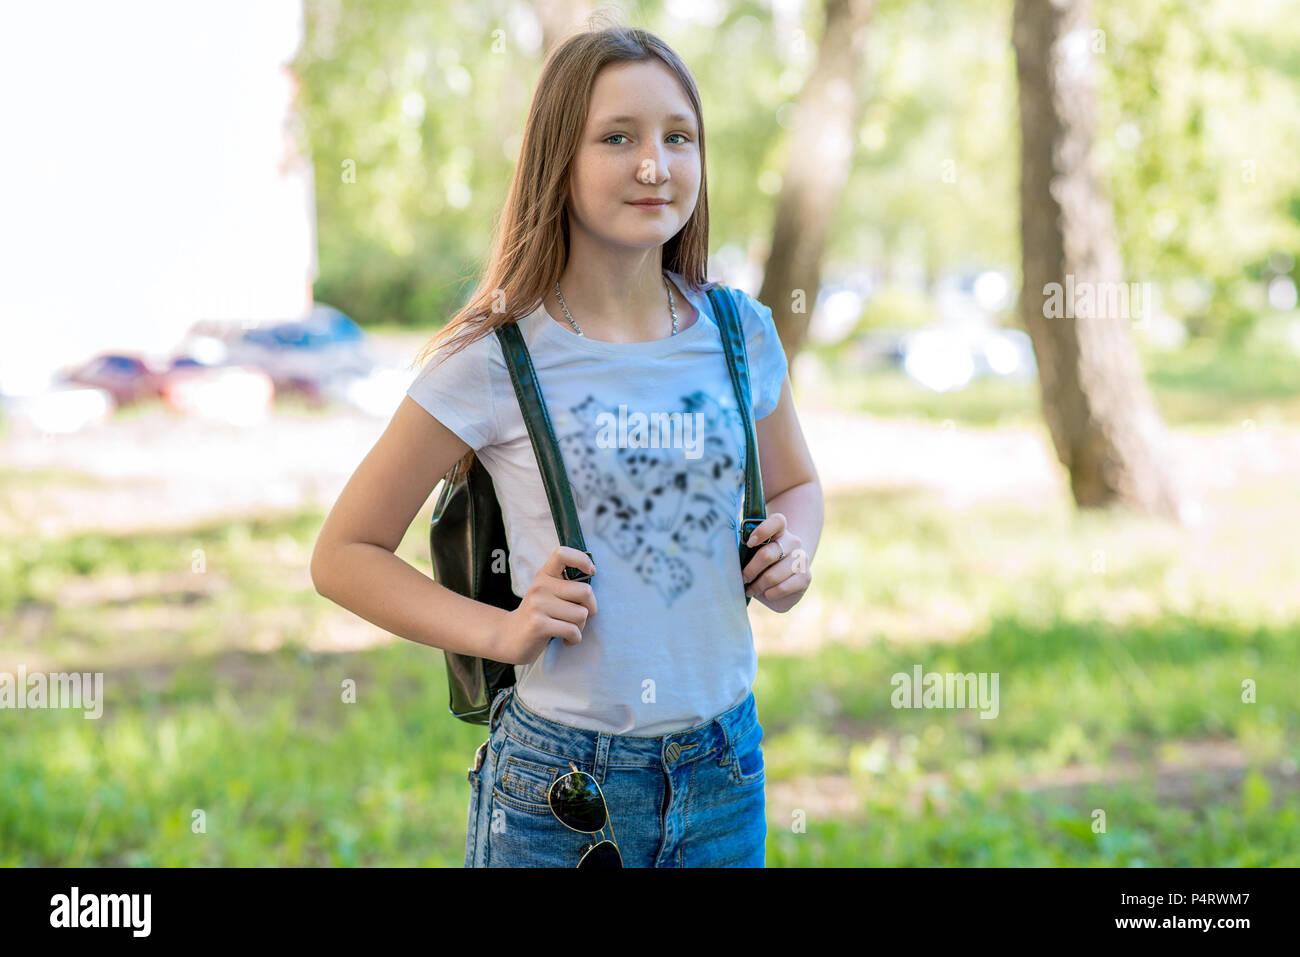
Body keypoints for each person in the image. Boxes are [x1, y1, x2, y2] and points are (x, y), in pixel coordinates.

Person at [310, 22, 823, 868]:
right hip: (561, 792)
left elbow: (798, 484)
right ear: (559, 158)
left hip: (724, 772)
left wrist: (791, 549)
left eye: (678, 137)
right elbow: (344, 554)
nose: (654, 165)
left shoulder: (742, 334)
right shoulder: (496, 357)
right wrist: (501, 632)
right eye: (617, 137)